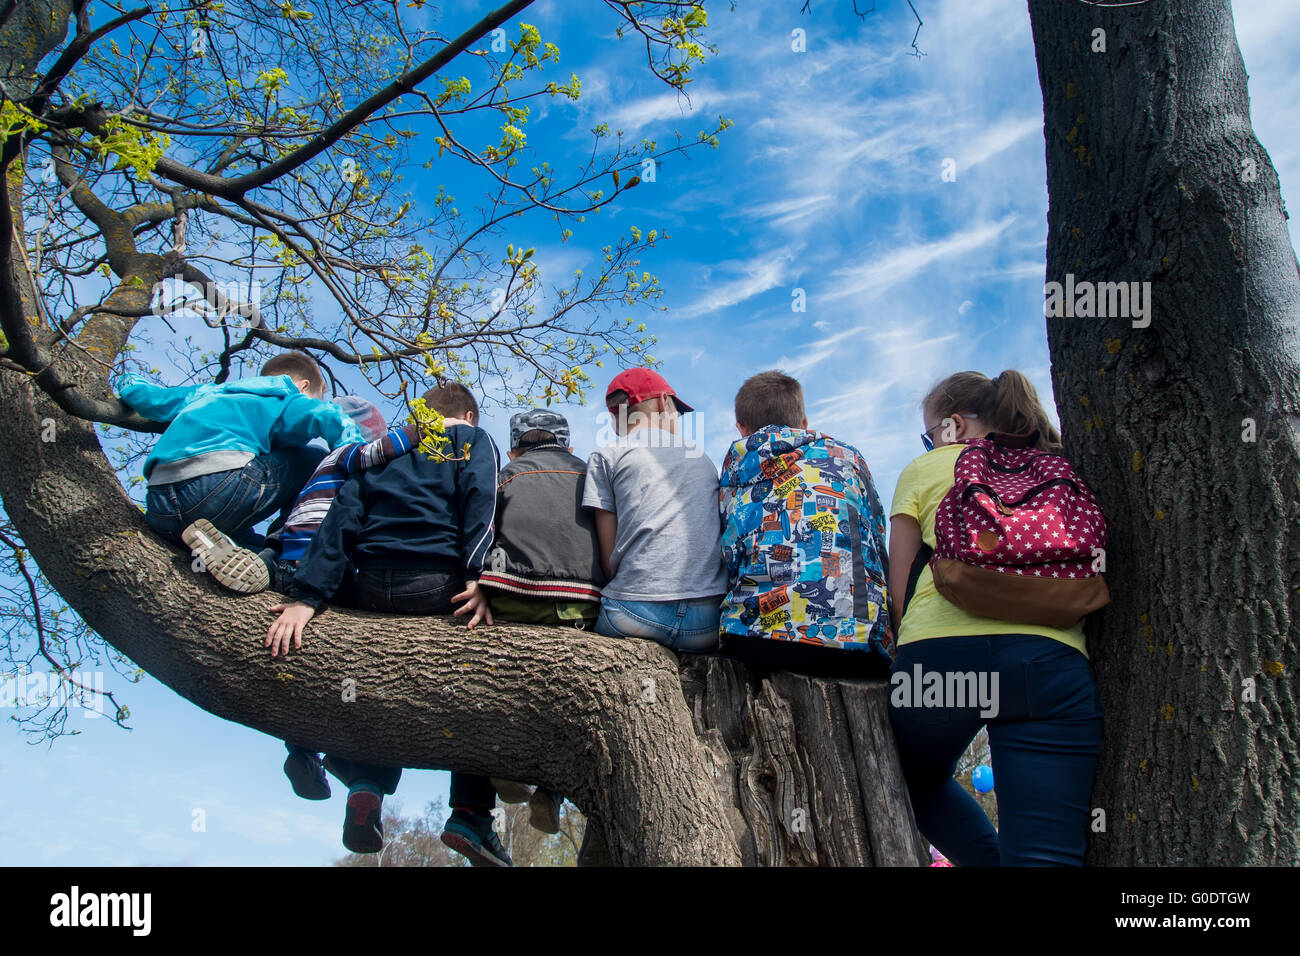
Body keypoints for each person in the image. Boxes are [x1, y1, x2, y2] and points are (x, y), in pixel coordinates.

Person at [263, 382, 510, 866]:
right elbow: (481, 503)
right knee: (471, 687)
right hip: (437, 584)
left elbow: (344, 517)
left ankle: (367, 784)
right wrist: (479, 576)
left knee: (372, 681)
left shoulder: (386, 450)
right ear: (470, 415)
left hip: (373, 585)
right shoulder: (471, 442)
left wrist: (308, 598)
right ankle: (469, 811)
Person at [886, 370, 1104, 867]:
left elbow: (899, 585)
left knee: (911, 775)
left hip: (939, 663)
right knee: (1045, 856)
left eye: (929, 433)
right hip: (1046, 661)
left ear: (954, 426)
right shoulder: (1057, 461)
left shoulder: (925, 469)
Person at [476, 409, 608, 833]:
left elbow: (482, 533)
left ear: (514, 447)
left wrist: (479, 583)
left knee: (501, 684)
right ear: (568, 446)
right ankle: (550, 792)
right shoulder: (591, 474)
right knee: (566, 704)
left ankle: (503, 760)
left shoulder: (504, 475)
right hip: (578, 609)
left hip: (512, 600)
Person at [718, 370, 894, 678]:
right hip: (857, 641)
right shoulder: (850, 458)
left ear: (741, 428)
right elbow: (877, 536)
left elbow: (729, 551)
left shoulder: (737, 466)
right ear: (804, 424)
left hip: (756, 639)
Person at [117, 350, 364, 553]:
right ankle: (288, 549)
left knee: (249, 545)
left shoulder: (209, 392)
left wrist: (129, 381)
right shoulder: (284, 398)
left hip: (161, 508)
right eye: (316, 397)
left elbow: (152, 399)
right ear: (303, 386)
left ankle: (253, 557)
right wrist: (357, 459)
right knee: (316, 458)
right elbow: (329, 416)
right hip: (216, 491)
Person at [583, 368, 728, 650]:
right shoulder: (703, 459)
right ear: (664, 402)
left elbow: (608, 561)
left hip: (632, 615)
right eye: (677, 410)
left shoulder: (607, 455)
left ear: (615, 419)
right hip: (709, 622)